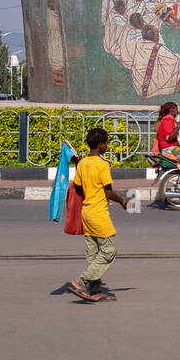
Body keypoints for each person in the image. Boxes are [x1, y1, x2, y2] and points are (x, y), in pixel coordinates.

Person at [67, 127, 128, 303]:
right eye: (106, 142)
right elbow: (108, 192)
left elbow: (78, 187)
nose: (107, 145)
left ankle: (94, 291)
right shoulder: (102, 165)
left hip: (86, 212)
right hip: (98, 213)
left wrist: (79, 165)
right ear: (101, 145)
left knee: (93, 254)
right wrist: (122, 201)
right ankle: (80, 281)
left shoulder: (83, 163)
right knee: (109, 251)